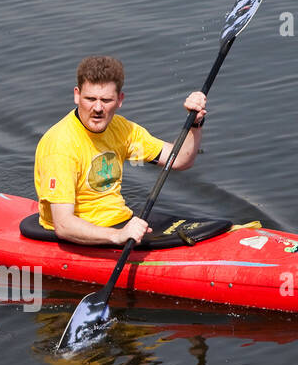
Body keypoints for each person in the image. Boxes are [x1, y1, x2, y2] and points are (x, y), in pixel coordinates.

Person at [33, 55, 210, 246]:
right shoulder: (61, 146)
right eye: (90, 98)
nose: (98, 108)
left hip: (118, 220)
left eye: (106, 100)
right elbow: (64, 225)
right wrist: (116, 236)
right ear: (77, 95)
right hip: (80, 233)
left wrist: (194, 123)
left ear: (120, 99)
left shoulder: (122, 130)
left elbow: (178, 160)